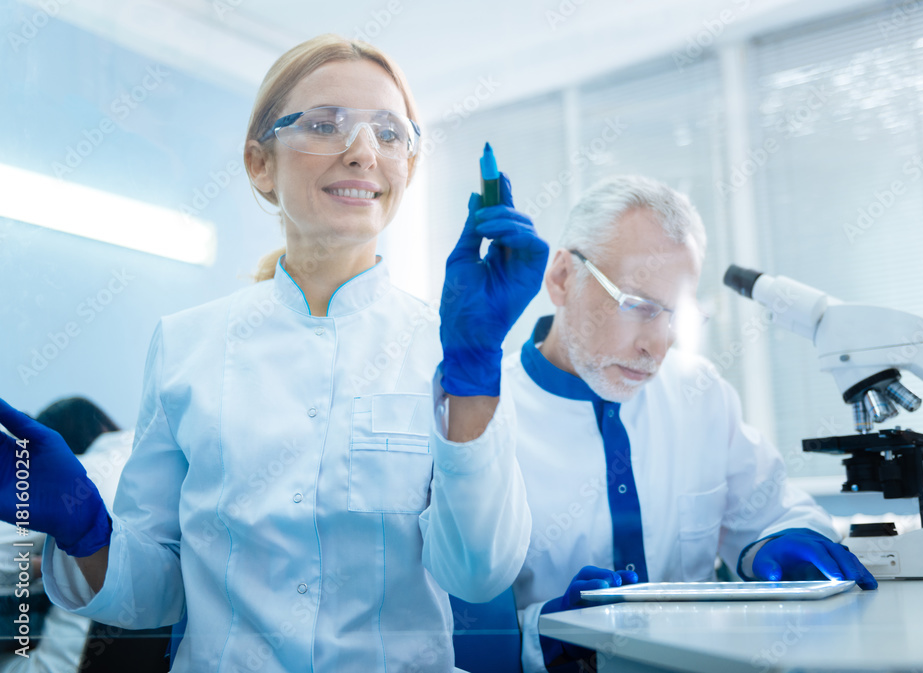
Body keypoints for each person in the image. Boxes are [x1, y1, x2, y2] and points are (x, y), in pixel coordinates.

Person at [0, 33, 548, 672]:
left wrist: (474, 371)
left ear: (408, 167)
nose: (363, 151)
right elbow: (158, 593)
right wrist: (83, 526)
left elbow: (477, 574)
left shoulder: (454, 347)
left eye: (389, 133)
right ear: (260, 164)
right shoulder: (186, 343)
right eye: (325, 124)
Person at [505, 175, 875, 672]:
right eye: (638, 306)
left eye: (676, 315)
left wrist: (784, 541)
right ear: (562, 277)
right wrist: (545, 634)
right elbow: (448, 618)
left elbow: (774, 514)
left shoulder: (699, 392)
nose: (657, 346)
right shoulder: (485, 416)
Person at [0, 397, 137, 672]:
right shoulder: (143, 452)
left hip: (83, 653)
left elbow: (4, 557)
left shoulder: (80, 473)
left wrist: (37, 567)